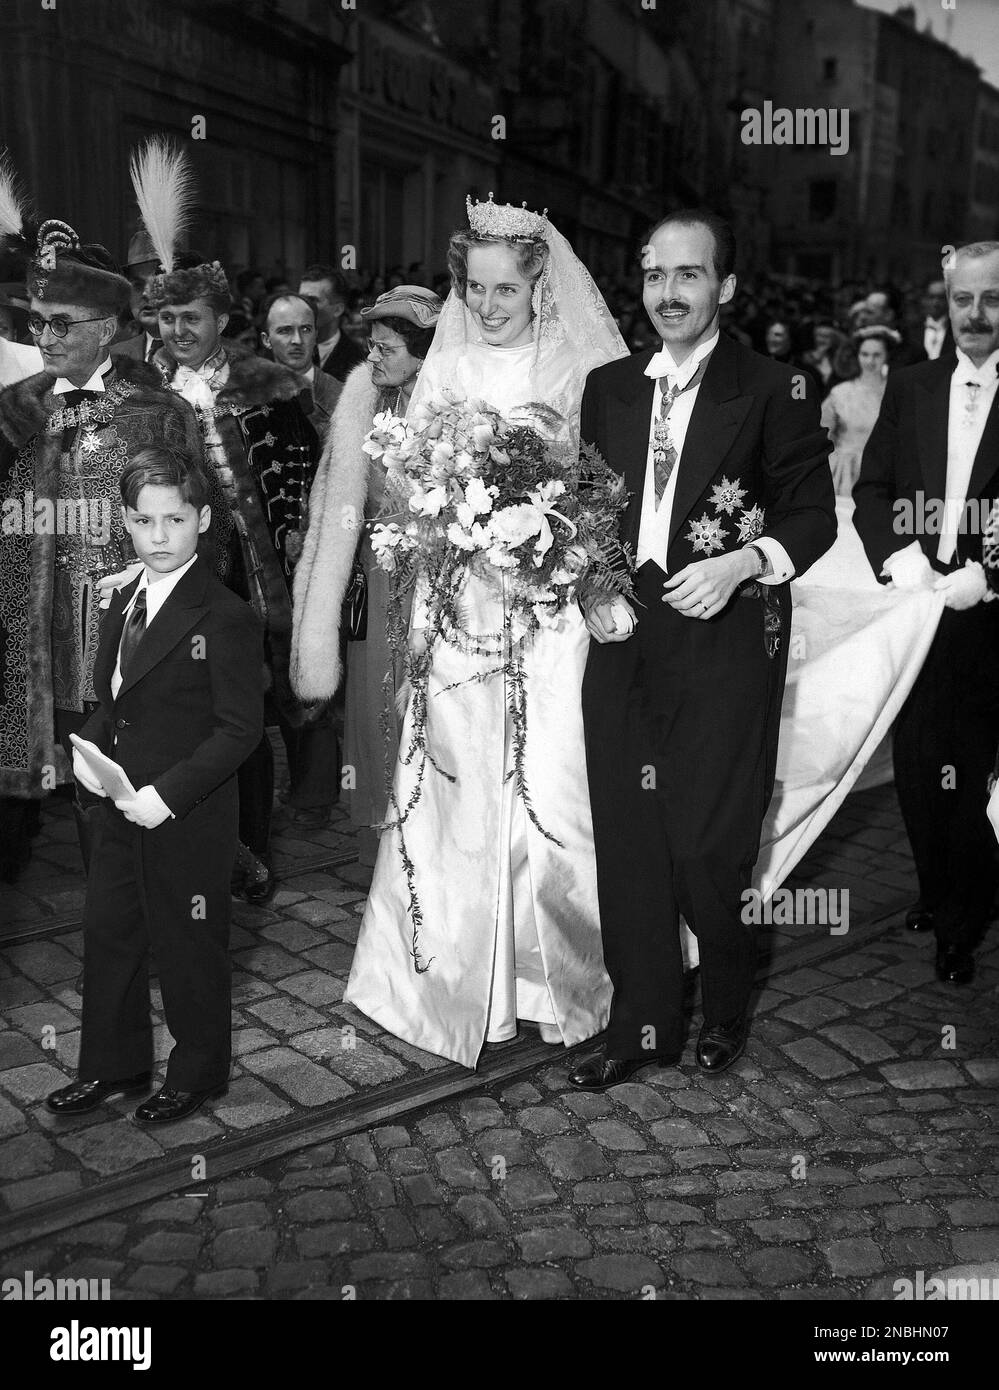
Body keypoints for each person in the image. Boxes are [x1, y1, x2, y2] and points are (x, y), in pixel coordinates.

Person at [343, 195, 628, 1068]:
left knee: (551, 778)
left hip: (545, 608)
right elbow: (414, 483)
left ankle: (558, 980)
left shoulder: (580, 367)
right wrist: (452, 523)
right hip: (462, 603)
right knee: (458, 782)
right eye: (474, 287)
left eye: (506, 289)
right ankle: (445, 979)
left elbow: (605, 486)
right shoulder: (450, 365)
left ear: (540, 283)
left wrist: (554, 538)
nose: (489, 304)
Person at [571, 208, 836, 1091]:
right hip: (623, 639)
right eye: (653, 275)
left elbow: (811, 515)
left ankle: (722, 1004)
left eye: (688, 276)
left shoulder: (773, 387)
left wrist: (742, 564)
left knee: (706, 846)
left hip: (723, 640)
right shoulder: (608, 386)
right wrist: (589, 583)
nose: (668, 293)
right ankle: (639, 1024)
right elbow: (586, 511)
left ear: (723, 287)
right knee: (630, 839)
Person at [45, 448, 263, 1124]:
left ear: (201, 519)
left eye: (173, 520)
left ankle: (197, 1073)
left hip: (185, 813)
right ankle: (113, 1067)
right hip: (117, 803)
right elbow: (117, 694)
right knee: (110, 934)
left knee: (187, 942)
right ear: (126, 523)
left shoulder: (223, 616)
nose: (159, 537)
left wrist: (164, 797)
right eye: (144, 522)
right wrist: (93, 752)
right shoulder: (125, 595)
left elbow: (238, 732)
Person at [0, 198, 205, 883]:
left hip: (129, 643)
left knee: (131, 791)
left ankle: (150, 913)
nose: (46, 337)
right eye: (38, 323)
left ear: (109, 327)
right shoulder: (16, 408)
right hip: (40, 646)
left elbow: (203, 530)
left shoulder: (158, 415)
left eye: (62, 324)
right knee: (76, 793)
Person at [853, 240, 999, 985]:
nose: (974, 314)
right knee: (916, 765)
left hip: (987, 618)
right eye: (961, 299)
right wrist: (901, 557)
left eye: (991, 298)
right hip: (915, 610)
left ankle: (960, 922)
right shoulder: (910, 387)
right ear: (943, 304)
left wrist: (989, 572)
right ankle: (936, 885)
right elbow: (872, 489)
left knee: (970, 769)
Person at [290, 285, 442, 841]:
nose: (372, 358)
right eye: (371, 346)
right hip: (374, 579)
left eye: (387, 348)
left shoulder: (454, 410)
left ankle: (430, 825)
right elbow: (334, 497)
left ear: (423, 353)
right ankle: (385, 830)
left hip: (432, 579)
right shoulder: (362, 398)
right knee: (376, 698)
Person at [820, 326, 899, 496]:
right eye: (865, 354)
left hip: (884, 472)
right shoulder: (840, 393)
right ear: (857, 356)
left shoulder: (897, 393)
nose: (870, 361)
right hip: (845, 473)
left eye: (877, 355)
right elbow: (820, 438)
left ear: (886, 357)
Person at [261, 291, 342, 443]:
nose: (297, 340)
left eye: (305, 329)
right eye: (285, 330)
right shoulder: (248, 398)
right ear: (266, 340)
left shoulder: (342, 398)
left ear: (316, 335)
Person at [298, 265, 366, 384]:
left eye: (312, 300)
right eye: (300, 299)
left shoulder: (358, 362)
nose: (303, 306)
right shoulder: (280, 351)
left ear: (337, 310)